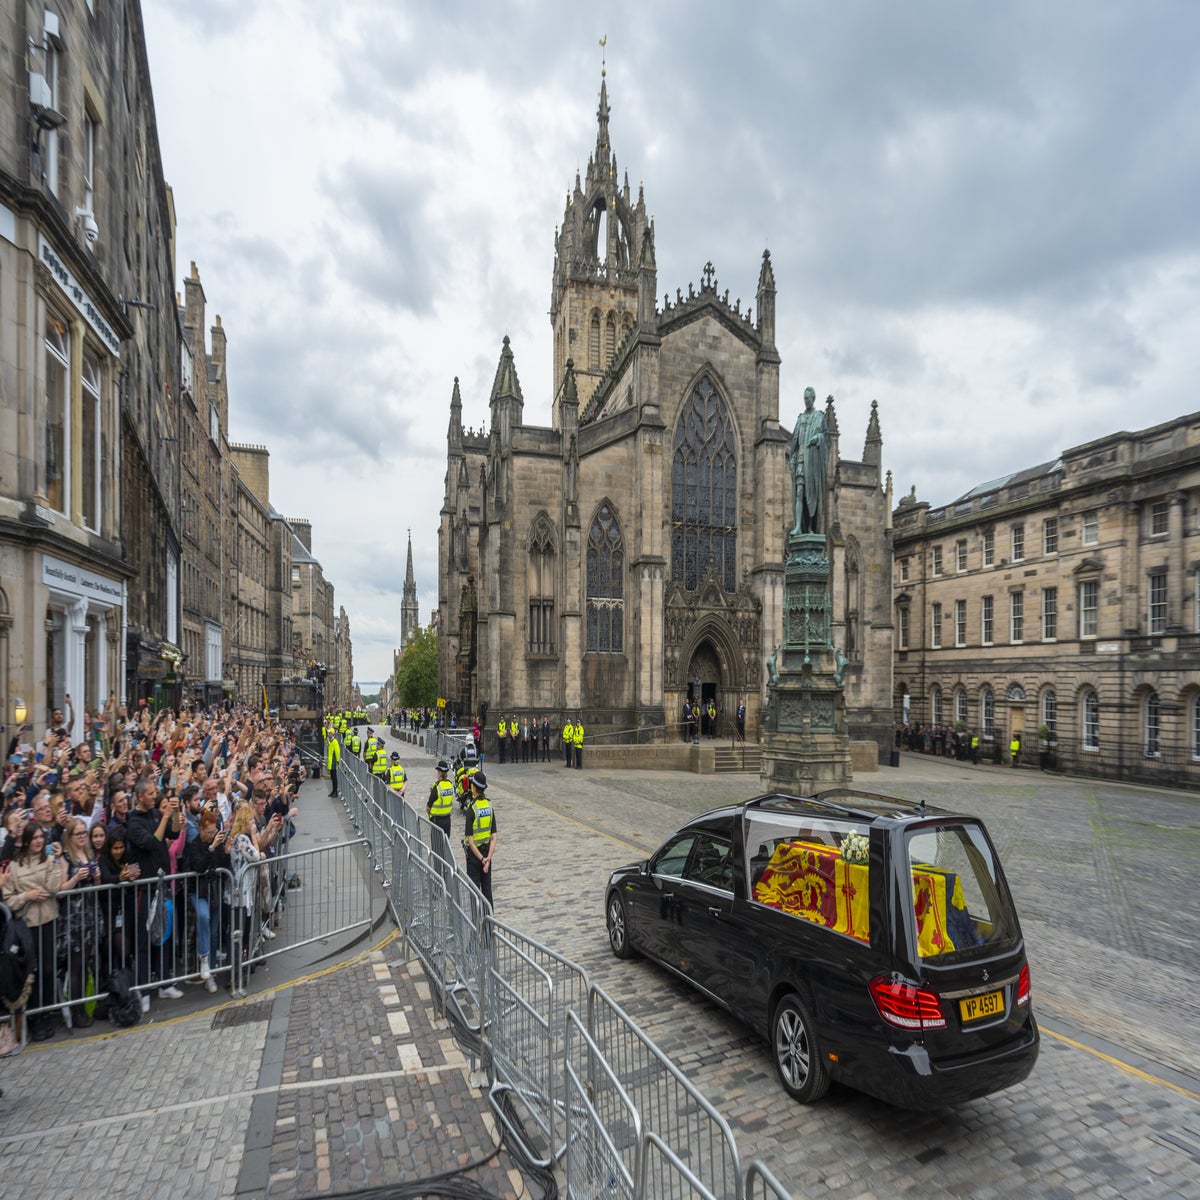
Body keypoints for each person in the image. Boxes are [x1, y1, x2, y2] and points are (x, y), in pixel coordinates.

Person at [2, 824, 63, 1040]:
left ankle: (46, 1014)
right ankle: (34, 1017)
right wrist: (27, 896)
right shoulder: (15, 865)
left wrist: (56, 861)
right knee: (32, 973)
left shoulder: (47, 860)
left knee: (48, 970)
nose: (39, 841)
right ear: (27, 840)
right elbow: (8, 898)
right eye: (35, 837)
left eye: (41, 837)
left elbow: (54, 887)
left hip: (47, 920)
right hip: (26, 926)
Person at [788, 386, 829, 537]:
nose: (806, 401)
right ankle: (798, 526)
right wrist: (792, 459)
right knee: (799, 493)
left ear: (813, 399)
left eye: (808, 398)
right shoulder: (800, 419)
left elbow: (826, 439)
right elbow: (794, 442)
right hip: (800, 459)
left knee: (811, 495)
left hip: (812, 463)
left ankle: (811, 526)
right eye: (804, 398)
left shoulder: (819, 417)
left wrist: (818, 438)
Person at [462, 772, 497, 908]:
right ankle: (490, 925)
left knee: (475, 894)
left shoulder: (472, 809)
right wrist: (488, 859)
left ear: (474, 788)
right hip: (487, 853)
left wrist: (482, 860)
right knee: (487, 893)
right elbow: (494, 837)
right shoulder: (489, 806)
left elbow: (470, 841)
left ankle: (477, 926)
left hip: (474, 857)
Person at [426, 759, 456, 848]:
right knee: (445, 845)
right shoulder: (450, 785)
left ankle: (438, 862)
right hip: (447, 820)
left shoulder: (437, 786)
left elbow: (428, 806)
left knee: (436, 847)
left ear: (439, 772)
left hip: (437, 821)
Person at [325, 724, 342, 798]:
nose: (328, 734)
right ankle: (333, 791)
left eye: (329, 733)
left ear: (332, 733)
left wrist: (338, 761)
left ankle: (335, 792)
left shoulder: (334, 741)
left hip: (334, 763)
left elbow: (337, 752)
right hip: (331, 763)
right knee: (332, 777)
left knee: (334, 777)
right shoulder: (331, 741)